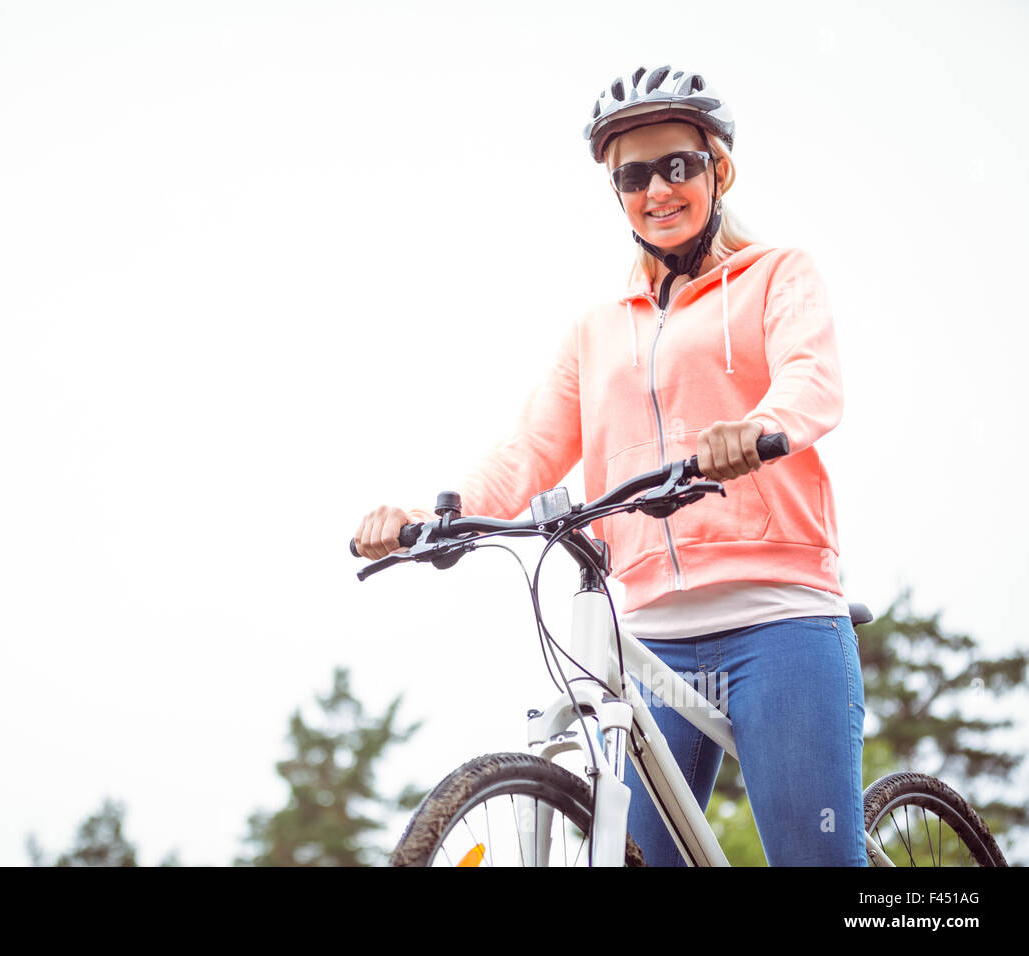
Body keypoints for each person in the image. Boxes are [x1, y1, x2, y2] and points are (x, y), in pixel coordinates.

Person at [352, 65, 866, 866]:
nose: (657, 189)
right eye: (634, 176)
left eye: (677, 166)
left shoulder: (777, 275)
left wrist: (758, 428)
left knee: (817, 860)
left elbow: (813, 380)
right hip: (652, 643)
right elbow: (529, 447)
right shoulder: (596, 330)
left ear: (717, 170)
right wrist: (431, 518)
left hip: (779, 618)